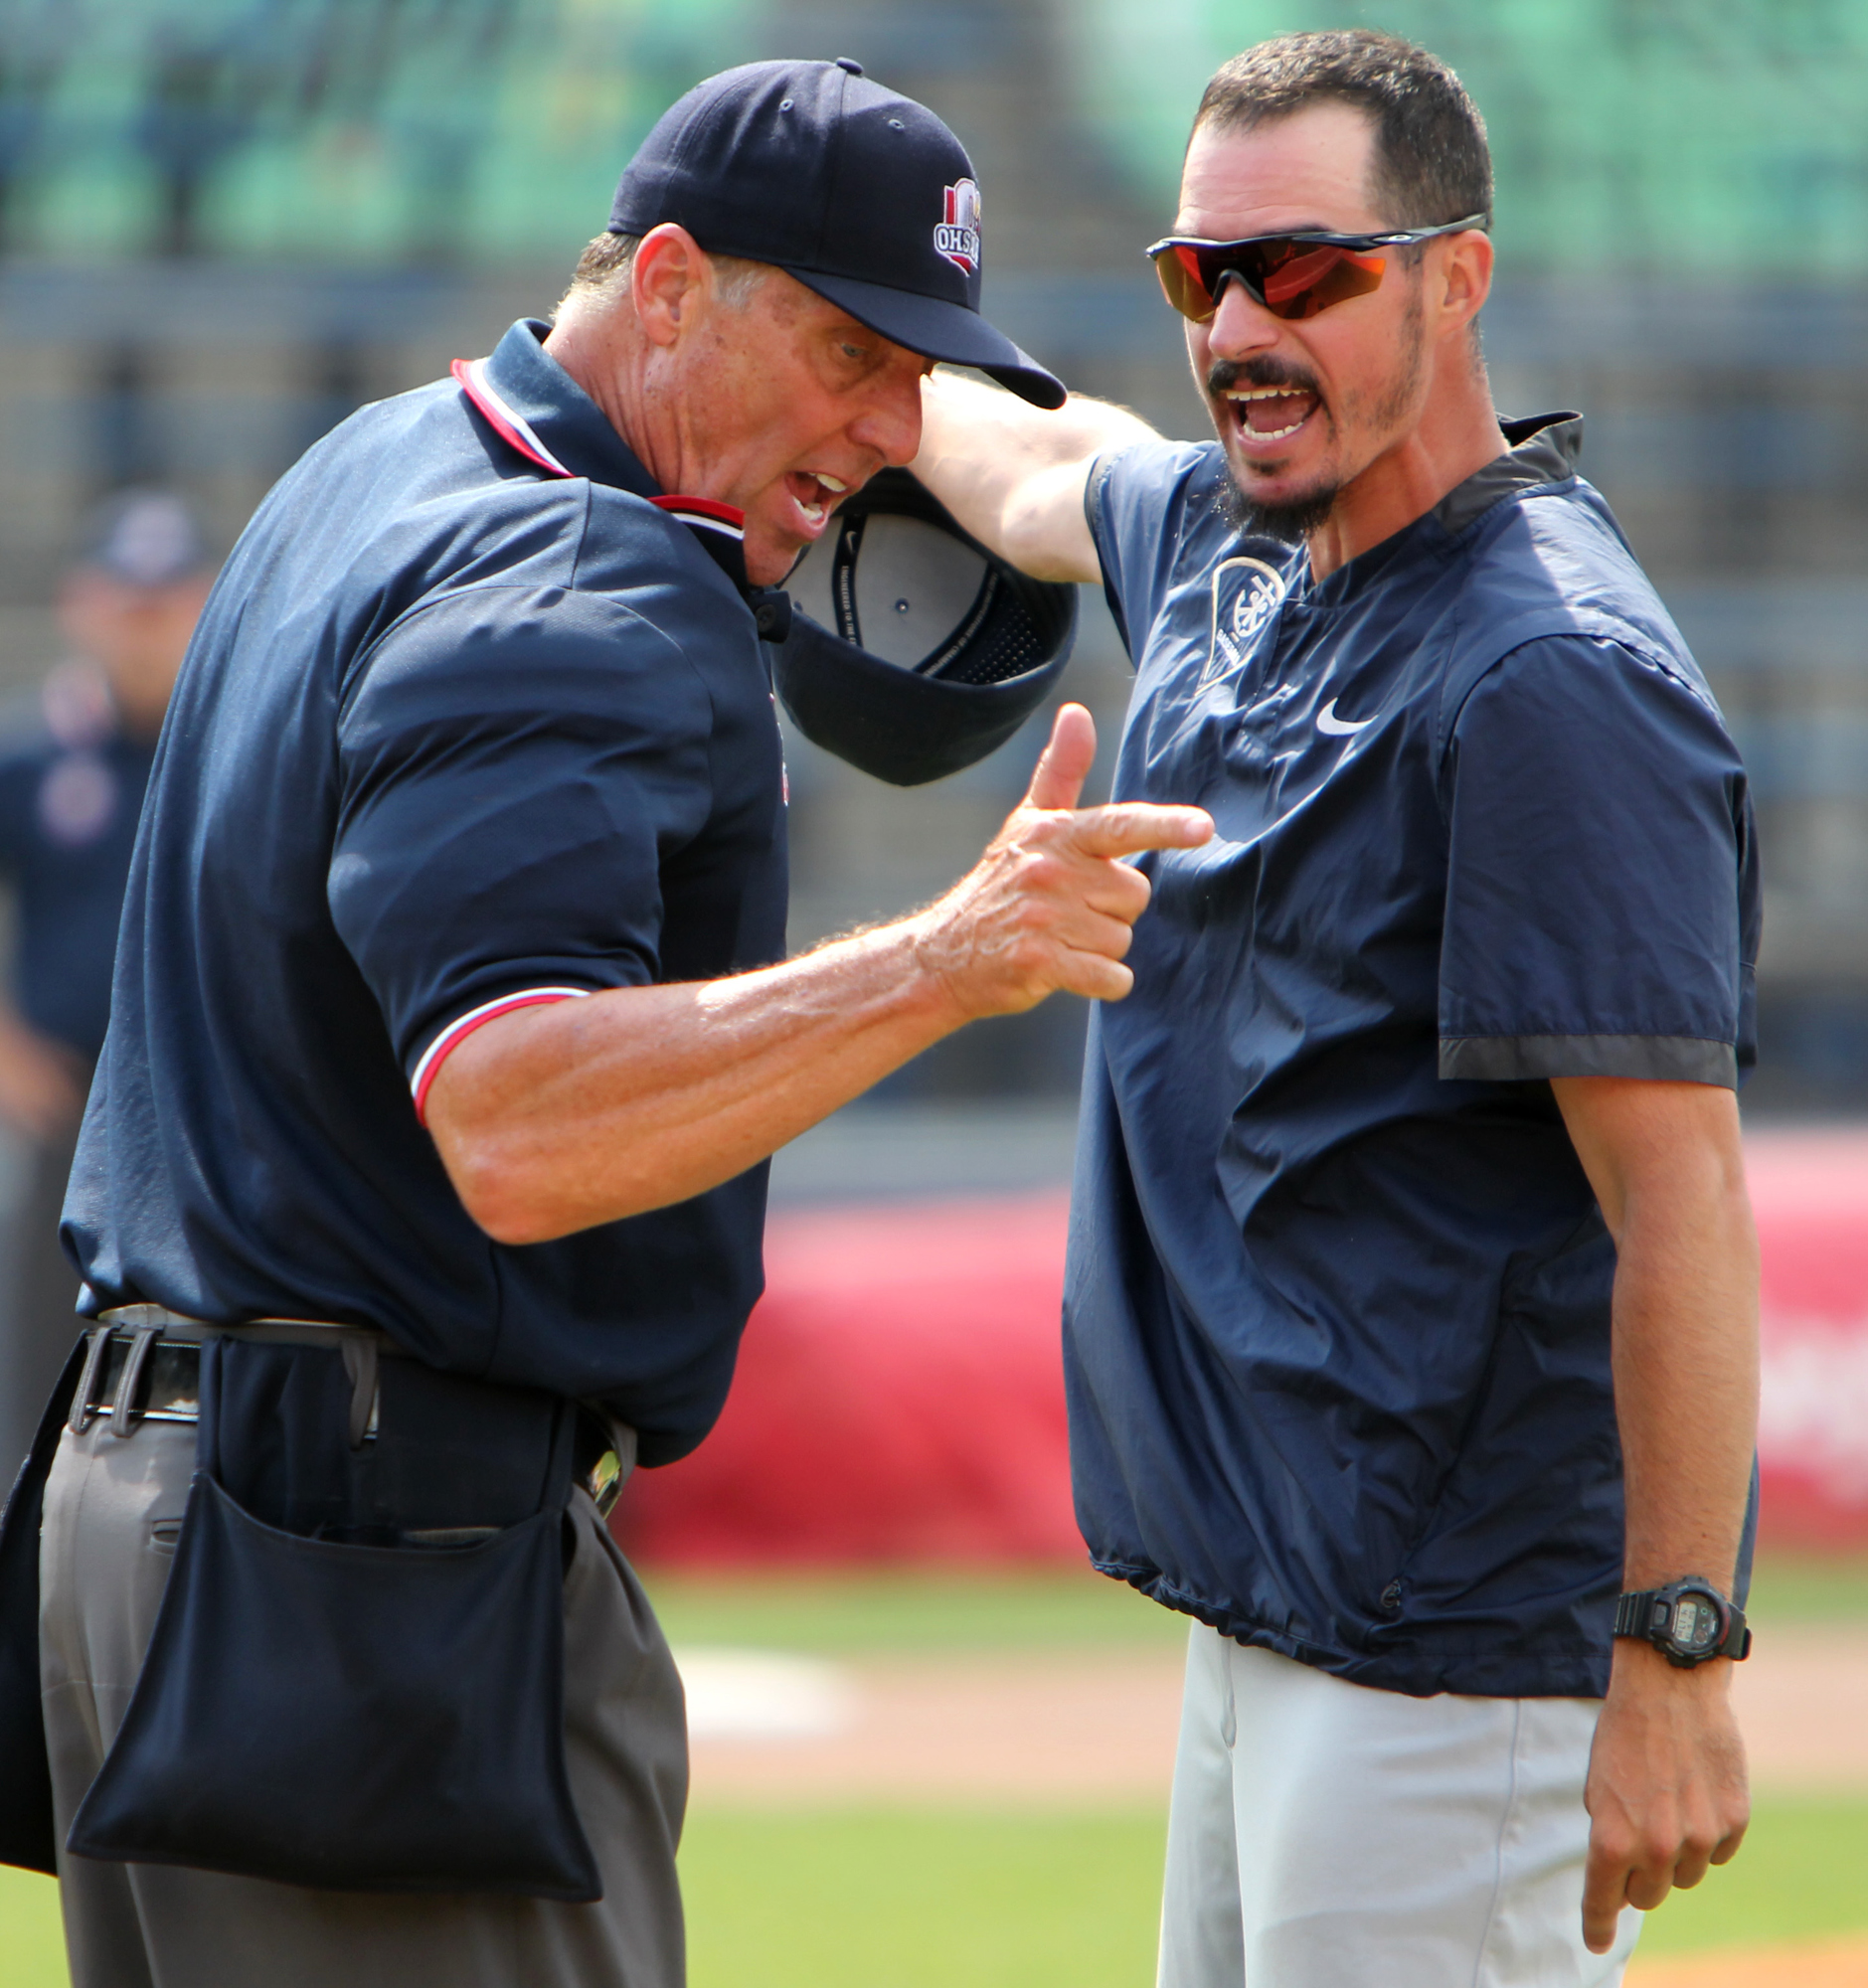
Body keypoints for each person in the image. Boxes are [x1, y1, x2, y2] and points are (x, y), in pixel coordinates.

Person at [27, 57, 1210, 1988]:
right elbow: (517, 1117)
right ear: (668, 286)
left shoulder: (375, 463)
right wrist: (956, 951)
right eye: (847, 349)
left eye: (920, 376)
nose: (888, 428)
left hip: (159, 1509)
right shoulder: (587, 576)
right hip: (359, 1567)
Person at [912, 29, 1759, 1987]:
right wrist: (857, 386)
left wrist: (1677, 1653)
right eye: (1196, 275)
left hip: (1456, 1669)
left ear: (1456, 278)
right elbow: (1046, 463)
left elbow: (1683, 1199)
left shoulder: (1550, 675)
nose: (1236, 324)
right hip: (1282, 1613)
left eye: (1303, 270)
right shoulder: (1236, 541)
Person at [0, 492, 212, 1482]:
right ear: (84, 605)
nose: (146, 626)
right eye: (129, 603)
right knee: (44, 1355)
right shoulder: (35, 756)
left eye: (166, 602)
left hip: (202, 1098)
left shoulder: (229, 750)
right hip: (69, 1103)